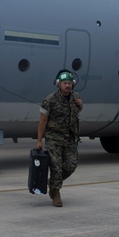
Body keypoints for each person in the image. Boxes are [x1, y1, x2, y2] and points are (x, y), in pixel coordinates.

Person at [35, 69, 83, 207]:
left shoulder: (75, 97)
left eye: (69, 83)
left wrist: (81, 106)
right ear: (58, 84)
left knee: (71, 165)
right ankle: (56, 194)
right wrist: (39, 140)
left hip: (70, 138)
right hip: (54, 138)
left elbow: (75, 113)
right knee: (56, 166)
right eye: (64, 83)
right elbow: (42, 122)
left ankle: (53, 183)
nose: (67, 86)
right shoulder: (49, 100)